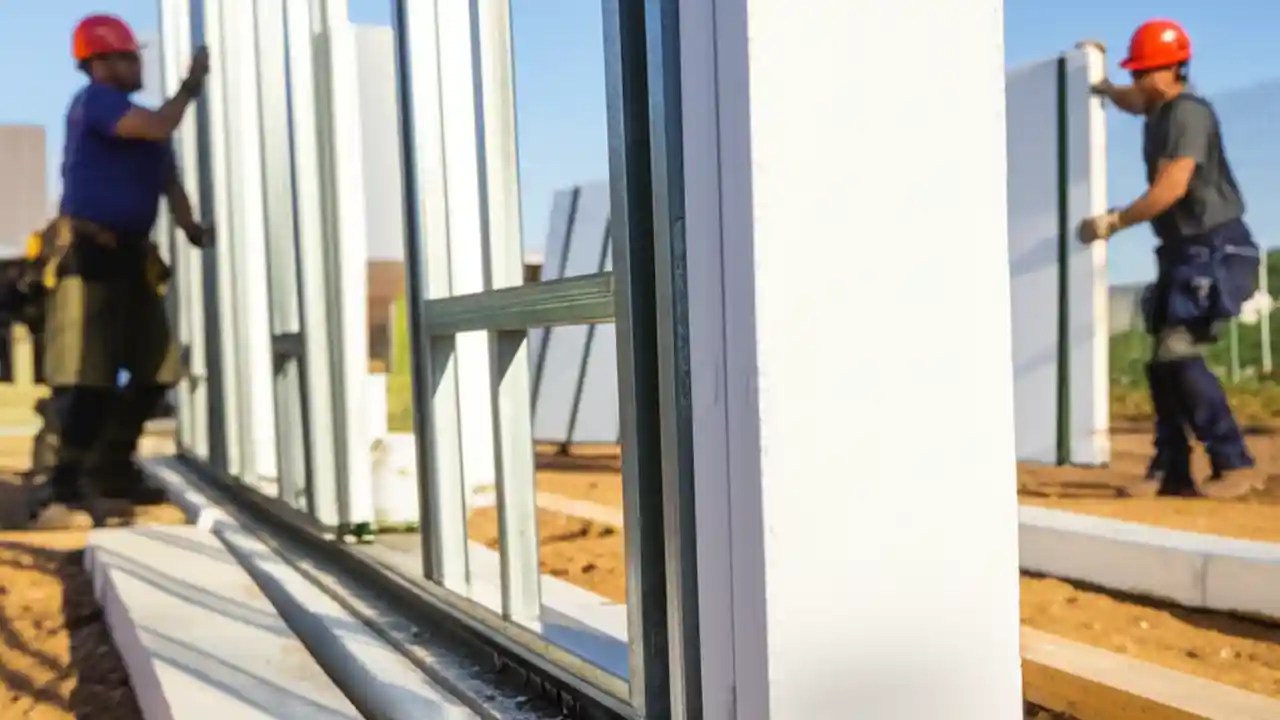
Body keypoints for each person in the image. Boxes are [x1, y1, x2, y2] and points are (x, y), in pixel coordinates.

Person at [30, 14, 211, 527]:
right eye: (130, 57)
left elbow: (169, 182)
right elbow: (158, 125)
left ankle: (111, 469)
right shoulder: (98, 104)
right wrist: (190, 88)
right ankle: (62, 488)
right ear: (101, 63)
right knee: (85, 377)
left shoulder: (144, 125)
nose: (137, 65)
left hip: (132, 259)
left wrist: (193, 228)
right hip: (89, 258)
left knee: (157, 371)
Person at [1079, 20, 1264, 500]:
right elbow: (1128, 99)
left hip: (1216, 249)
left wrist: (1113, 222)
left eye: (1145, 72)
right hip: (1184, 253)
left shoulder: (1187, 115)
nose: (1139, 81)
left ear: (1172, 69)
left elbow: (1171, 188)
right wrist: (1094, 79)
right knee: (1160, 364)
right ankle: (1172, 470)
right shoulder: (1155, 106)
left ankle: (1234, 463)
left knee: (1177, 354)